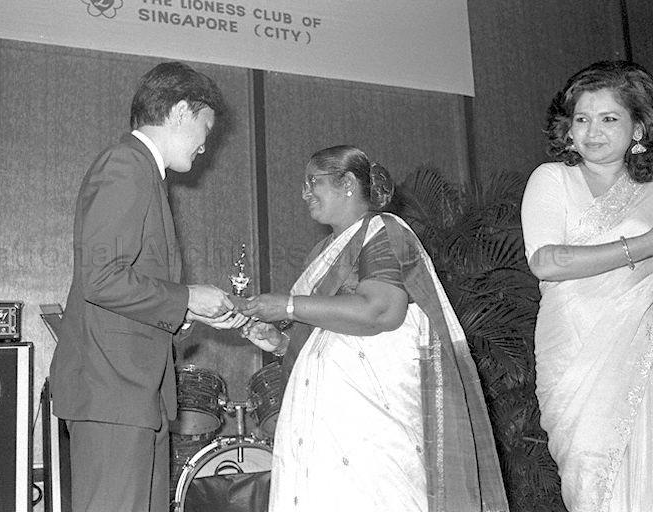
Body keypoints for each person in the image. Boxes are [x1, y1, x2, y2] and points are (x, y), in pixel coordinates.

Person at [240, 145, 509, 512]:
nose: (304, 193)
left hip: (371, 422)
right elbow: (328, 334)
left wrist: (285, 305)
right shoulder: (322, 251)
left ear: (347, 183)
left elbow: (382, 310)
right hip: (325, 426)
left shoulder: (384, 229)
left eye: (312, 182)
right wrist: (280, 342)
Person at [49, 61, 245, 512]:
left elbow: (124, 286)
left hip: (135, 397)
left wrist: (184, 314)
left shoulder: (143, 173)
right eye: (205, 128)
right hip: (113, 393)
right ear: (180, 112)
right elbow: (102, 279)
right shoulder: (126, 165)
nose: (204, 145)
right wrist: (186, 297)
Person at [520, 60, 653, 511]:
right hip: (571, 353)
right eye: (582, 118)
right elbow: (547, 262)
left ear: (638, 128)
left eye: (609, 118)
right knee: (588, 470)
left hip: (642, 353)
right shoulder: (552, 179)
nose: (592, 131)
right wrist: (645, 244)